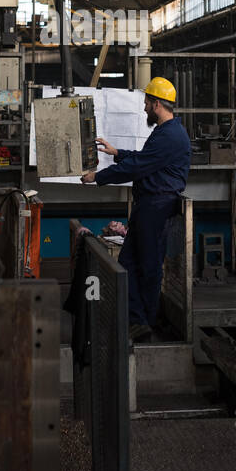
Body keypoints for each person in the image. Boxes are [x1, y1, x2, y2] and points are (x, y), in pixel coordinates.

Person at [81, 78, 191, 341]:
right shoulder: (167, 132)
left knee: (147, 266)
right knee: (131, 263)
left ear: (156, 104)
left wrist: (98, 177)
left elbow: (137, 167)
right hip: (150, 206)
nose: (143, 108)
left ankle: (144, 322)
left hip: (156, 207)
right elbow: (144, 159)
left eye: (145, 103)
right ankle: (137, 320)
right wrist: (117, 152)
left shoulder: (170, 135)